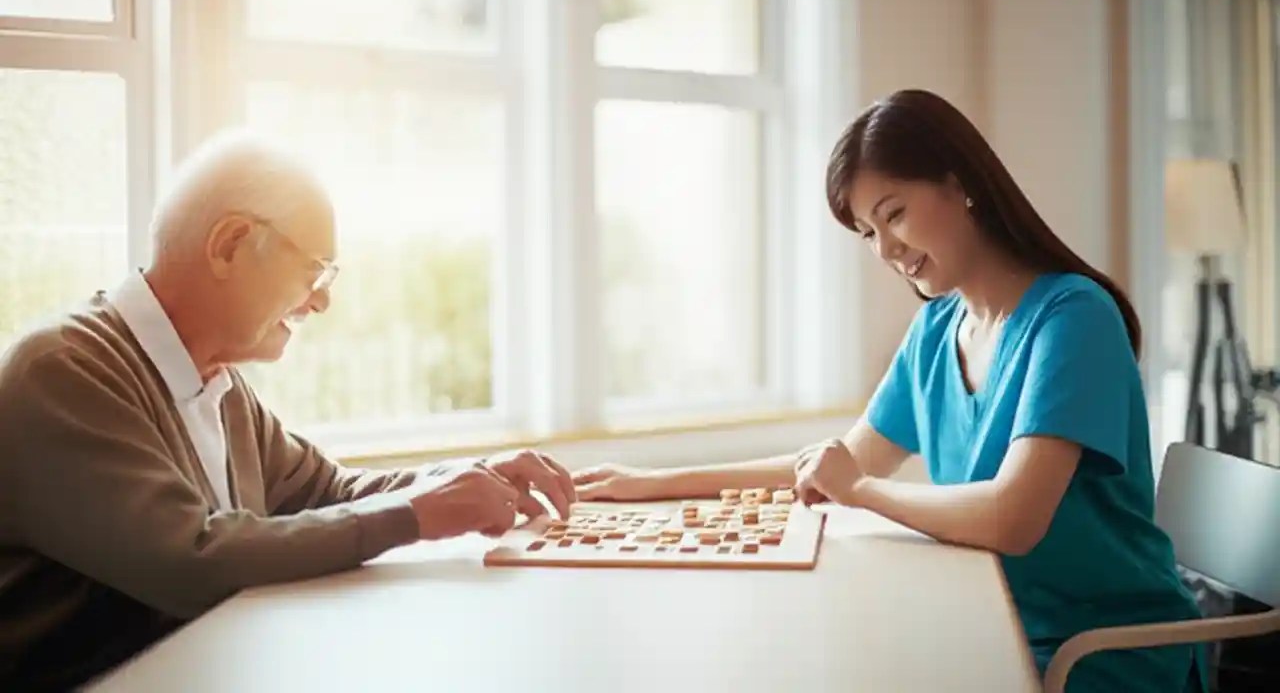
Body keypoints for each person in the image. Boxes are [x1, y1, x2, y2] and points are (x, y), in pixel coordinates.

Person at [573, 89, 1206, 691]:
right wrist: (651, 482)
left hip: (1102, 652)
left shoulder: (1073, 319)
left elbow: (1013, 520)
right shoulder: (936, 329)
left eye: (893, 214)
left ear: (960, 186)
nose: (886, 249)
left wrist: (864, 493)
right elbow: (838, 466)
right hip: (995, 625)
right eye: (868, 233)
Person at [0, 131, 575, 690]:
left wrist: (467, 479)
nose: (322, 300)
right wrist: (417, 513)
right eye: (315, 271)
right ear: (229, 244)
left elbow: (333, 493)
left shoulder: (218, 385)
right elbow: (192, 559)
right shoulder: (61, 370)